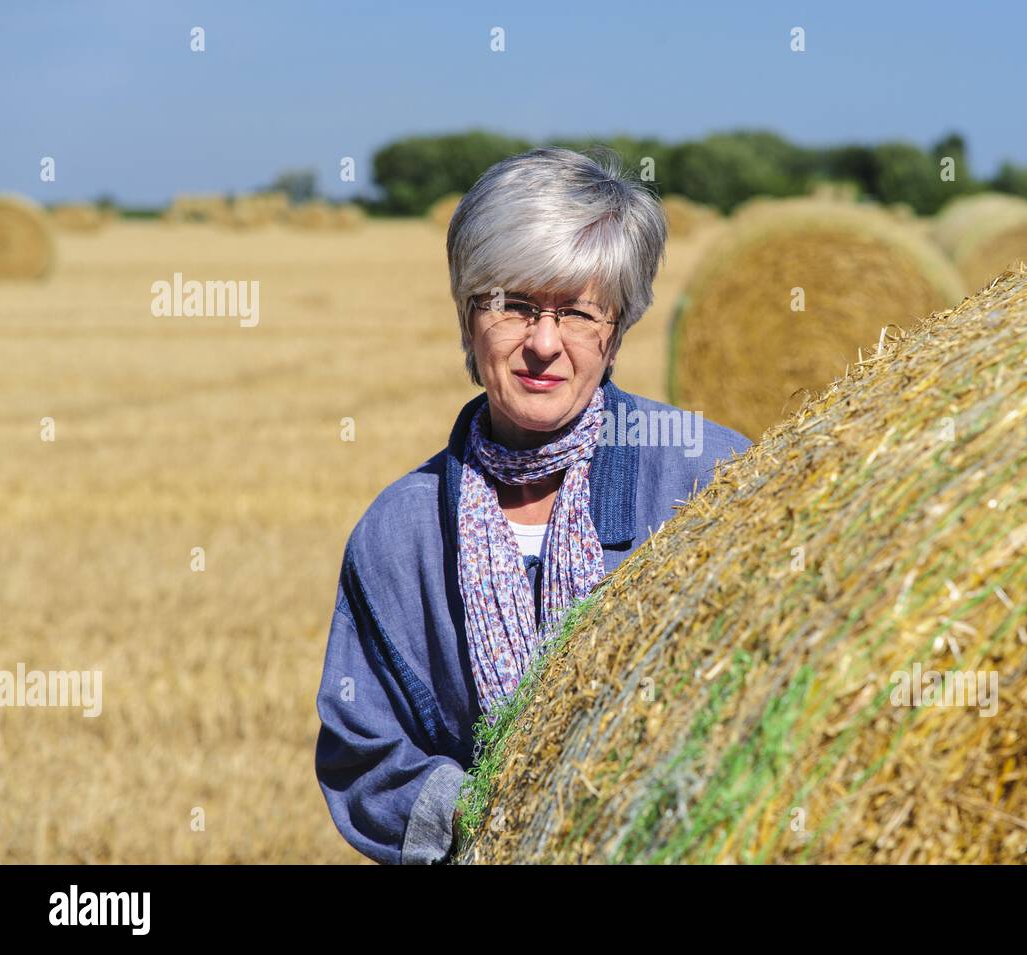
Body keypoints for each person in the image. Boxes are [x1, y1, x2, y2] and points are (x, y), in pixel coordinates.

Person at [314, 146, 751, 864]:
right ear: (468, 318)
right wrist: (501, 816)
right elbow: (362, 754)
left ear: (617, 331)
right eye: (514, 305)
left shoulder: (711, 481)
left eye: (579, 313)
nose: (544, 344)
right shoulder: (400, 533)